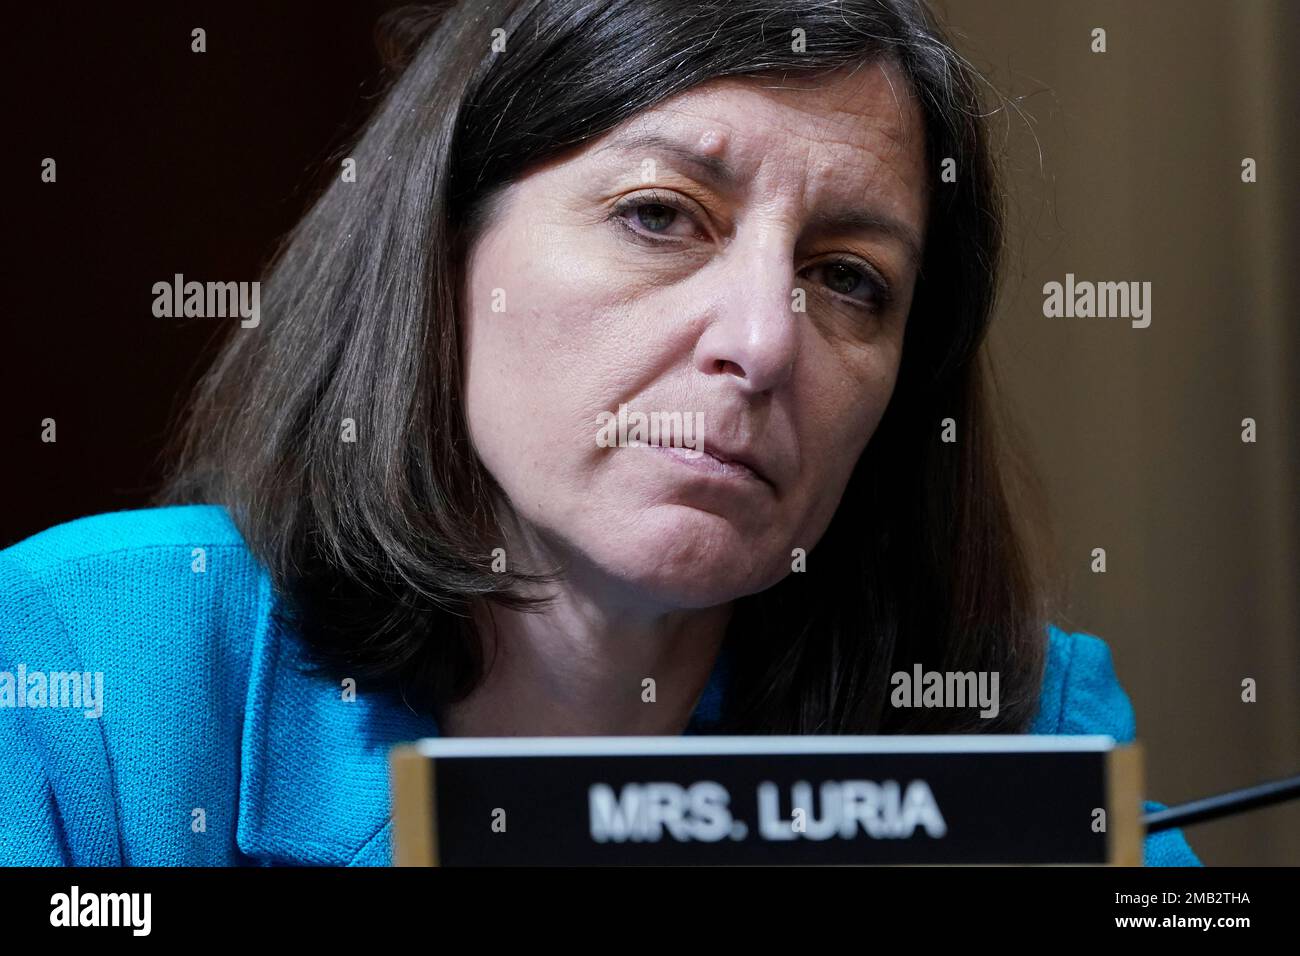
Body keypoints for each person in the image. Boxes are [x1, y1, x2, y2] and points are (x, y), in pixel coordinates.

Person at [0, 0, 1200, 865]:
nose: (764, 341)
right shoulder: (89, 668)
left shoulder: (1014, 722)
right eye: (661, 214)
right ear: (443, 243)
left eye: (848, 279)